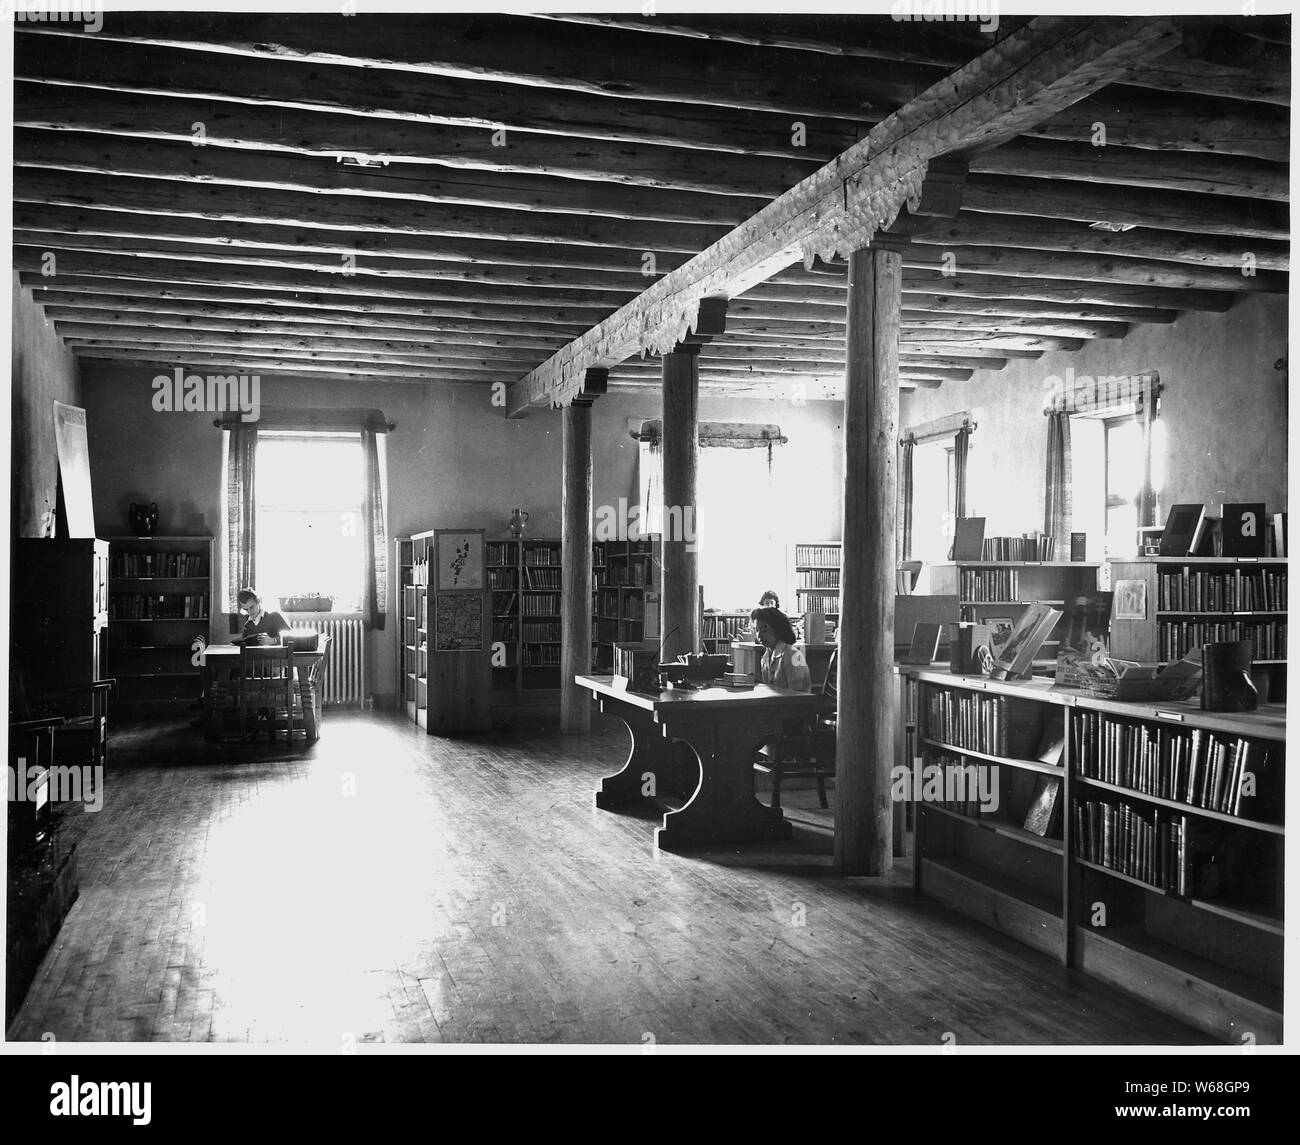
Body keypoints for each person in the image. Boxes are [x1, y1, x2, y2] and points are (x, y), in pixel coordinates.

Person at [749, 606, 811, 692]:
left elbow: (798, 696)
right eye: (756, 630)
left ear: (778, 628)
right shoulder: (765, 657)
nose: (759, 635)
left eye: (765, 629)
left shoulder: (793, 656)